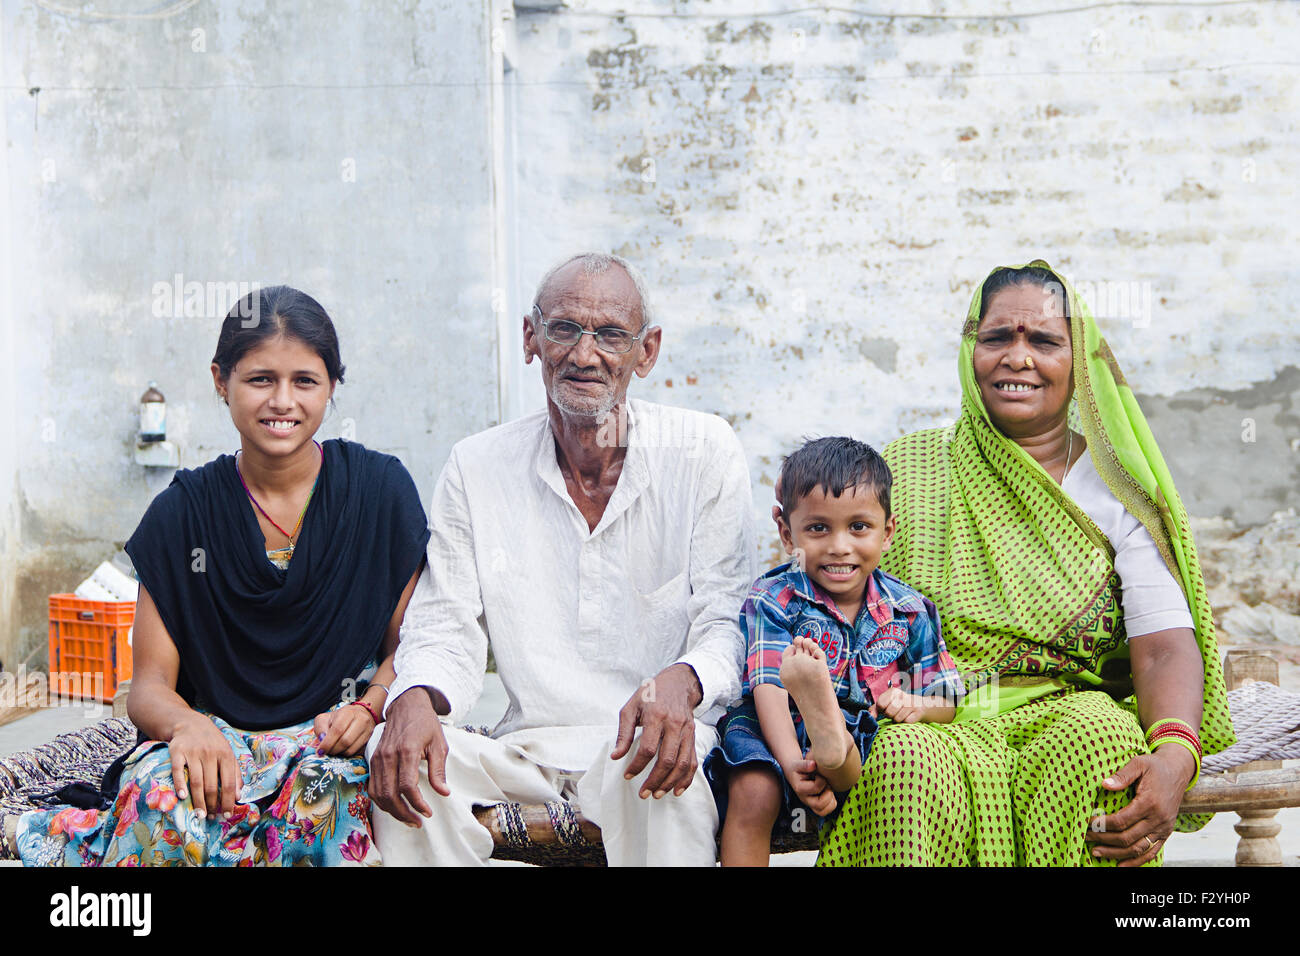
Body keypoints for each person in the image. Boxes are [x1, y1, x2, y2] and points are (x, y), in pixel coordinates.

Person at [817, 261, 1236, 867]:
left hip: (1065, 711)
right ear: (971, 352)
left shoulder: (1119, 491)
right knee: (907, 762)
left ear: (1081, 360)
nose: (1018, 357)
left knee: (1102, 741)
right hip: (927, 710)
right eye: (997, 338)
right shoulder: (904, 473)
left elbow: (1164, 644)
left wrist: (1174, 755)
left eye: (1043, 340)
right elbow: (833, 614)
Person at [366, 252, 756, 866]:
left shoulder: (703, 452)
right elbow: (444, 625)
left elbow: (727, 617)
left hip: (646, 745)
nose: (584, 354)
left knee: (665, 777)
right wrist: (412, 696)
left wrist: (683, 681)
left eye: (610, 335)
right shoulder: (477, 464)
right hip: (525, 748)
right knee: (406, 763)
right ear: (531, 338)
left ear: (646, 352)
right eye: (565, 329)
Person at [16, 286, 428, 867]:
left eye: (305, 381)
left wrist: (371, 705)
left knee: (331, 807)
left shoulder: (380, 493)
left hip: (335, 736)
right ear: (220, 381)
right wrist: (188, 726)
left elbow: (412, 645)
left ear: (333, 386)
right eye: (260, 379)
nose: (282, 401)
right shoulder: (182, 513)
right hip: (215, 740)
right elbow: (150, 686)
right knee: (163, 798)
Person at [707, 436, 964, 866]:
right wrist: (790, 762)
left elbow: (948, 698)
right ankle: (823, 734)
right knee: (752, 790)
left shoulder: (909, 610)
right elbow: (768, 686)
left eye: (858, 527)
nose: (839, 546)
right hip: (772, 726)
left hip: (858, 728)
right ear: (787, 533)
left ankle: (830, 741)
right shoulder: (773, 598)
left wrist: (917, 703)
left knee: (860, 757)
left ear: (888, 532)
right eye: (818, 528)